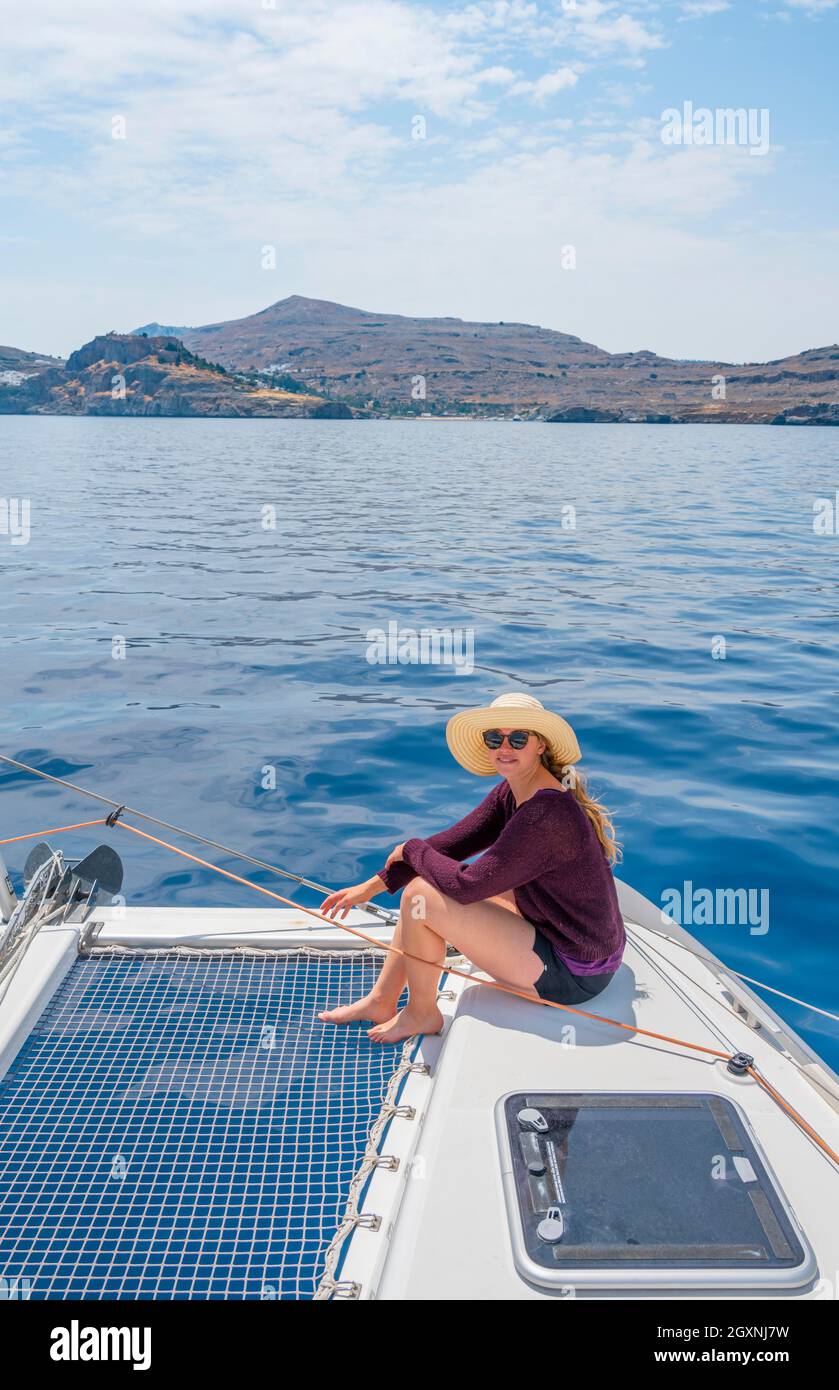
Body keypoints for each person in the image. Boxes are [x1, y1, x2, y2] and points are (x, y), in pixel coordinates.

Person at [318, 692, 625, 1045]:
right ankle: (381, 1001)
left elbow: (468, 886)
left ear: (540, 745)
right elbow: (451, 844)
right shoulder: (515, 792)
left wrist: (411, 849)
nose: (504, 747)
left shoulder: (544, 814)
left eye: (518, 738)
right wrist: (373, 886)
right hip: (567, 939)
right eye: (495, 738)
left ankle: (422, 1013)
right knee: (427, 878)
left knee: (422, 893)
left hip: (574, 974)